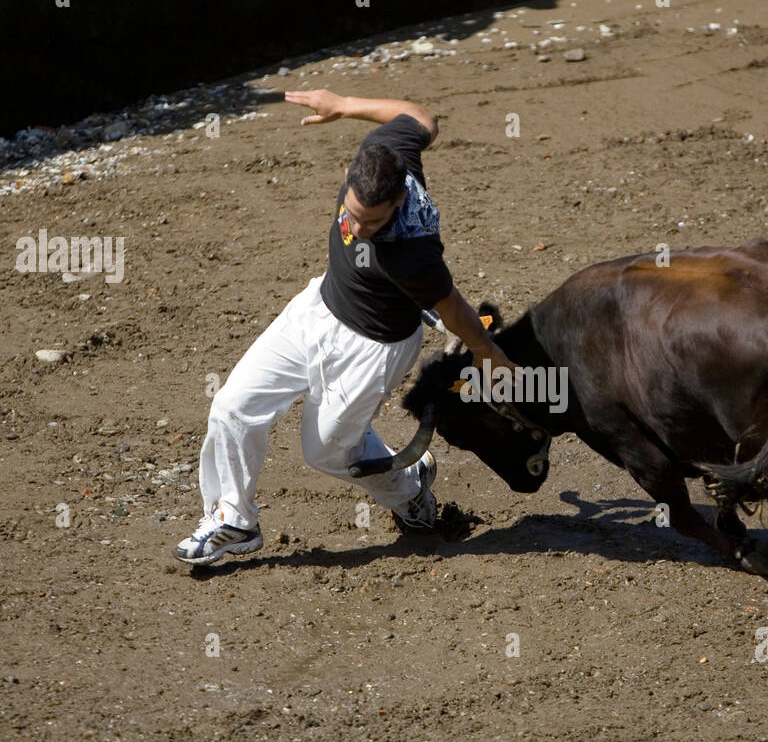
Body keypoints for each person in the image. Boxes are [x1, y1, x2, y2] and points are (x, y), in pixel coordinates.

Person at [174, 89, 517, 564]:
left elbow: (454, 307)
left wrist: (487, 354)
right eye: (352, 214)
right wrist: (342, 103)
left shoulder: (413, 251)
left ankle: (410, 489)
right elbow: (421, 116)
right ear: (349, 173)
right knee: (231, 406)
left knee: (327, 453)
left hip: (375, 347)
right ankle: (235, 520)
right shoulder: (387, 153)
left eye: (370, 222)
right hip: (317, 307)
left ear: (398, 201)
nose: (356, 229)